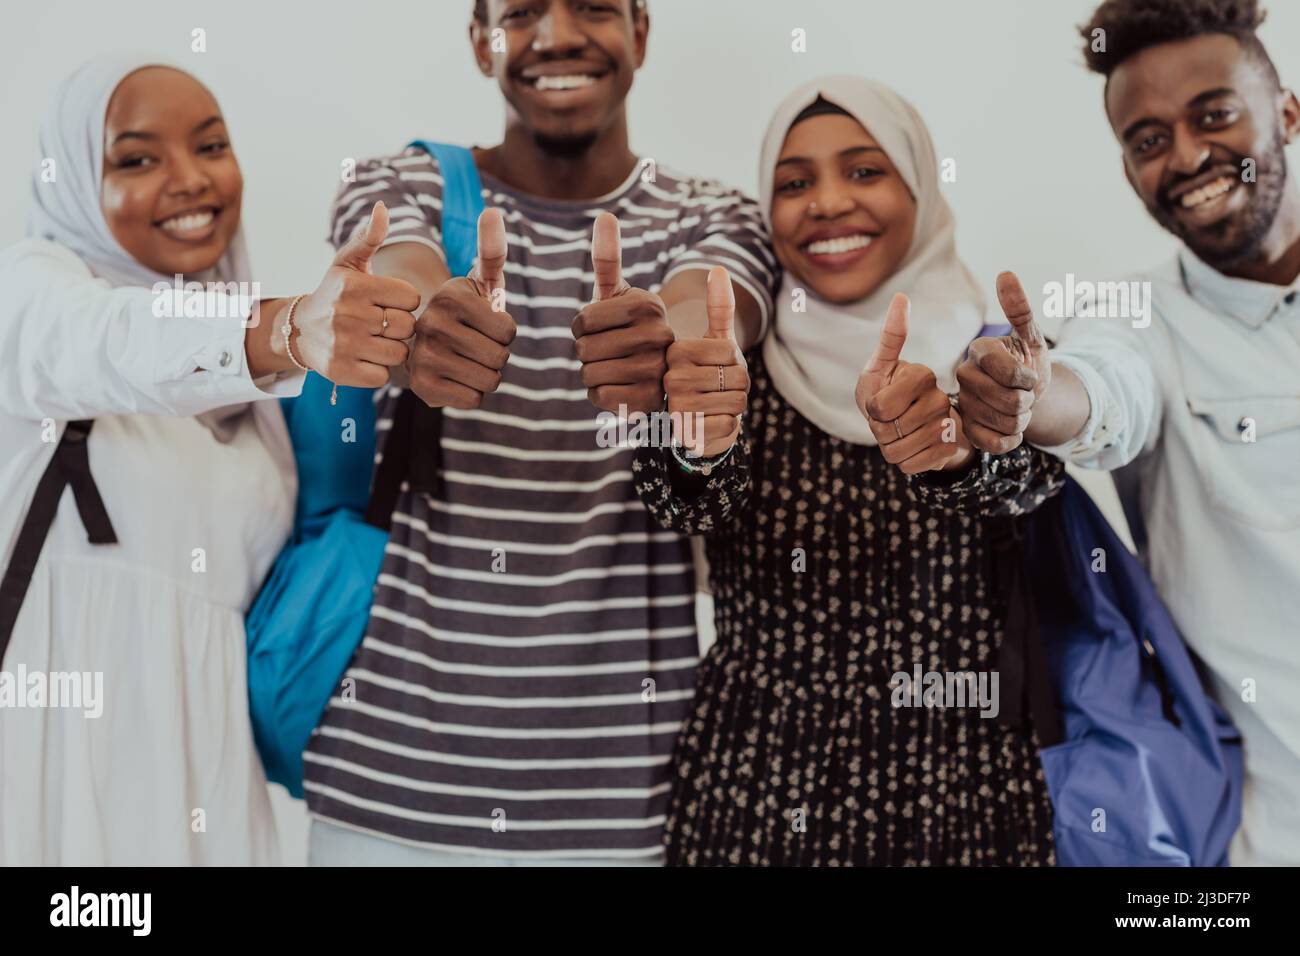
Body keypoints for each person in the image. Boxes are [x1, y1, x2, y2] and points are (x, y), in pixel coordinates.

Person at [301, 0, 779, 864]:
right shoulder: (400, 185)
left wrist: (672, 349)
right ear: (482, 44)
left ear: (641, 30)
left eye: (594, 6)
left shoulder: (715, 214)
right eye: (520, 12)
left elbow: (713, 305)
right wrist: (419, 328)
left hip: (618, 810)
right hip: (385, 796)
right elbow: (398, 271)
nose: (557, 36)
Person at [632, 76, 1064, 866]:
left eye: (865, 171)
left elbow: (1034, 483)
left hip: (959, 796)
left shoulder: (997, 356)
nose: (826, 202)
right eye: (793, 183)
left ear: (921, 186)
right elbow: (680, 499)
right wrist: (698, 438)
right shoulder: (735, 364)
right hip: (754, 795)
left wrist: (958, 455)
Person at [0, 56, 419, 864]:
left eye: (211, 145)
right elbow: (110, 340)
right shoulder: (34, 297)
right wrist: (285, 330)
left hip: (204, 792)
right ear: (74, 182)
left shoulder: (260, 402)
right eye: (136, 158)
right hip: (52, 772)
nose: (189, 180)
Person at [958, 0, 1300, 866]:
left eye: (1214, 114)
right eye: (1148, 140)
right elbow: (1102, 393)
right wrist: (1030, 401)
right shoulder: (1138, 322)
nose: (1187, 157)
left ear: (1287, 112)